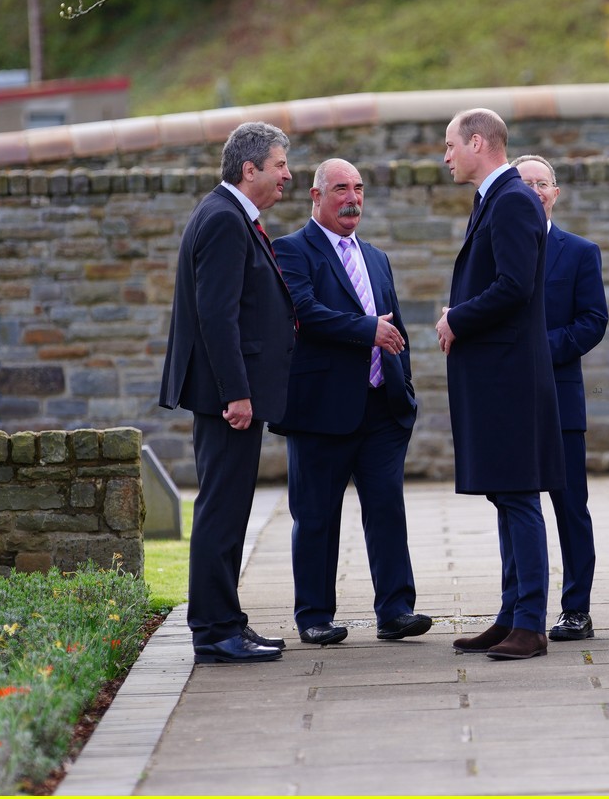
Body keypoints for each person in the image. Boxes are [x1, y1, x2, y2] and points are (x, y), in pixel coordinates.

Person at [271, 158, 431, 647]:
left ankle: (396, 612)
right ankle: (314, 616)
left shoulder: (376, 257)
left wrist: (404, 389)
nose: (352, 198)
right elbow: (304, 312)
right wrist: (367, 330)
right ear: (316, 196)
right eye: (340, 188)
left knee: (387, 511)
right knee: (317, 516)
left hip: (382, 409)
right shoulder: (291, 250)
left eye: (358, 188)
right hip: (321, 411)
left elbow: (396, 328)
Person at [159, 121, 296, 664]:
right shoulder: (222, 218)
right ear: (249, 168)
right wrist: (236, 393)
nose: (288, 175)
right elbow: (217, 316)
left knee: (231, 507)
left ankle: (227, 622)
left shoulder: (230, 214)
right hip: (227, 398)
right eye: (280, 165)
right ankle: (215, 631)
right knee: (222, 509)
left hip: (231, 394)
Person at [436, 109, 566, 660]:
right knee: (506, 496)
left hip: (510, 378)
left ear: (477, 142)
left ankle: (530, 624)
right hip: (495, 375)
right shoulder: (493, 198)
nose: (446, 156)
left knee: (518, 496)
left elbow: (515, 286)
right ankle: (511, 615)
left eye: (450, 145)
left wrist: (457, 319)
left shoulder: (513, 199)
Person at [510, 154, 609, 642]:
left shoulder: (580, 252)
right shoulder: (496, 247)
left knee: (570, 508)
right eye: (524, 183)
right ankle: (516, 611)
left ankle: (576, 610)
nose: (533, 191)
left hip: (560, 399)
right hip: (508, 400)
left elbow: (593, 321)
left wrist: (537, 349)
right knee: (513, 505)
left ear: (555, 193)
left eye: (541, 183)